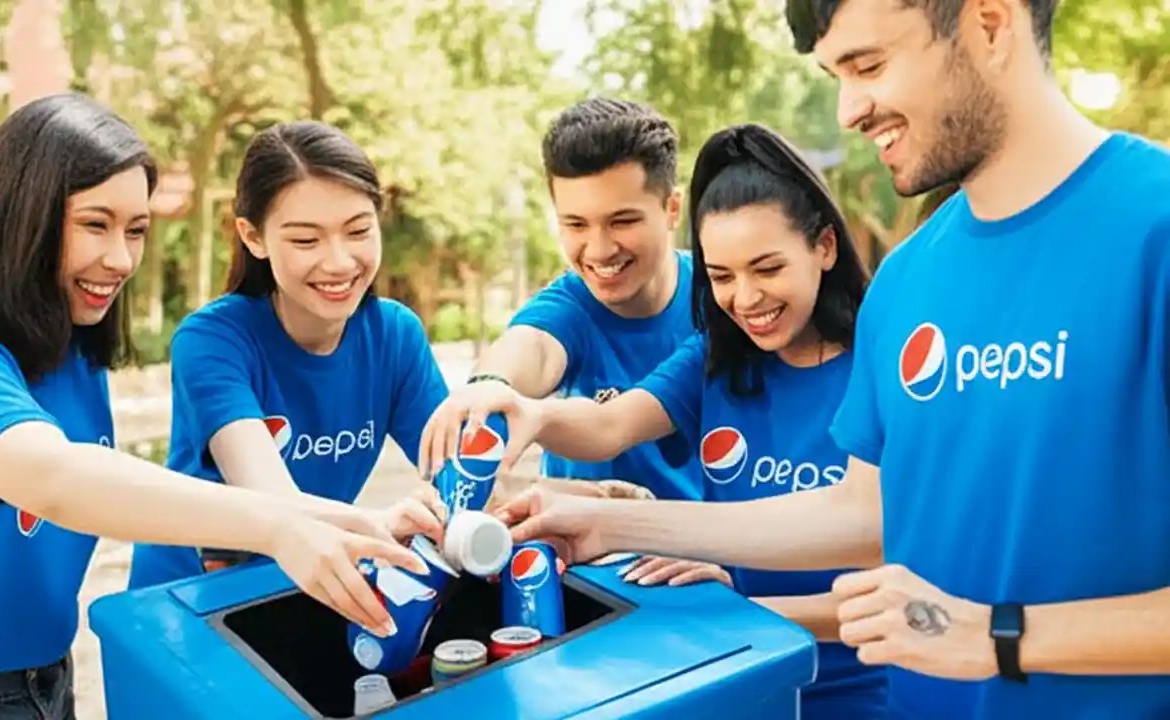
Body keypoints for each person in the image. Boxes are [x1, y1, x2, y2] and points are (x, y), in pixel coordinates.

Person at [480, 1, 1170, 718]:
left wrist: (1000, 636)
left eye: (869, 65)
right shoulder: (907, 284)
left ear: (990, 23)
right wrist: (612, 525)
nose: (848, 110)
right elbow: (864, 513)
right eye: (836, 74)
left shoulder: (1152, 228)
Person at [0, 94, 436, 720]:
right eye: (95, 225)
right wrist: (281, 526)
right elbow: (54, 479)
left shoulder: (72, 349)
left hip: (43, 681)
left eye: (137, 230)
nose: (121, 259)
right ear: (21, 217)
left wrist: (357, 525)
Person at [423, 123, 885, 717]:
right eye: (722, 277)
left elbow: (899, 592)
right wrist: (527, 411)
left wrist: (734, 604)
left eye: (767, 268)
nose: (745, 298)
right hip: (735, 669)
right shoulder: (715, 354)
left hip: (854, 690)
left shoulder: (879, 367)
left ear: (823, 247)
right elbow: (609, 425)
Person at [129, 121, 451, 590]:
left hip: (311, 585)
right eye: (306, 240)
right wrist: (380, 523)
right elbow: (270, 500)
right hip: (188, 604)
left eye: (358, 230)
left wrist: (585, 496)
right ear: (253, 237)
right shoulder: (212, 341)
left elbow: (461, 470)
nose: (339, 262)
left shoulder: (395, 336)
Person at [420, 97, 702, 504]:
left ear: (672, 208)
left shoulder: (723, 299)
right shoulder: (567, 307)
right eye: (576, 224)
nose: (600, 249)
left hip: (706, 554)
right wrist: (489, 385)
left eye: (622, 221)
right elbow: (532, 346)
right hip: (583, 556)